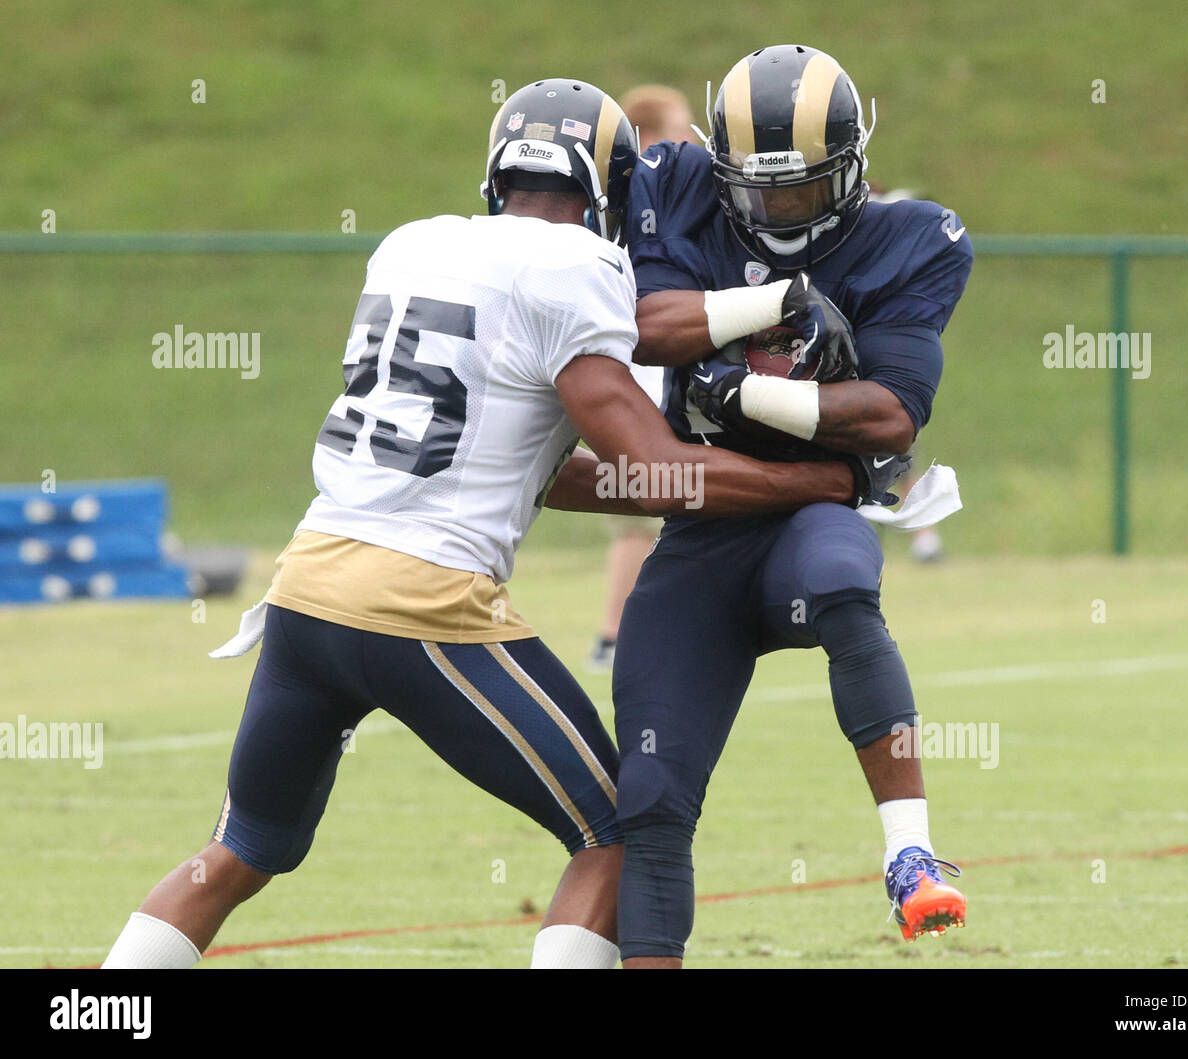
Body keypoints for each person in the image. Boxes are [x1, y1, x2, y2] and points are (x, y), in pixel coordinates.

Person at [100, 77, 864, 971]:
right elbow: (656, 465)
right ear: (609, 187)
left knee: (239, 851)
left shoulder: (412, 246)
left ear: (497, 174)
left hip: (307, 588)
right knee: (621, 829)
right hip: (422, 602)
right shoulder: (576, 267)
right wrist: (824, 481)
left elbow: (555, 474)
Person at [613, 44, 974, 967]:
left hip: (807, 520)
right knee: (649, 801)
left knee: (842, 576)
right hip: (704, 523)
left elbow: (891, 413)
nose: (776, 209)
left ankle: (909, 851)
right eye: (760, 190)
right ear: (718, 165)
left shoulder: (913, 237)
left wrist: (741, 396)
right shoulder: (677, 181)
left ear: (850, 168)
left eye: (802, 191)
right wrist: (786, 297)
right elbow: (646, 327)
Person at [588, 85, 698, 671]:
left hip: (629, 381)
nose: (690, 140)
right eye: (679, 129)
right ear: (649, 138)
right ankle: (616, 635)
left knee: (648, 515)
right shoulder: (634, 206)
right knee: (645, 510)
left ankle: (625, 634)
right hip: (629, 383)